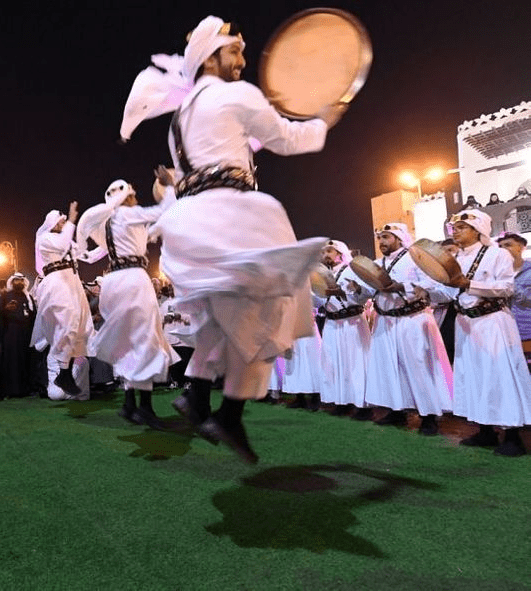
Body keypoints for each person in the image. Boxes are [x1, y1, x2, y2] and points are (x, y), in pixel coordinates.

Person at [122, 15, 345, 462]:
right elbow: (283, 138)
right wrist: (322, 119)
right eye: (236, 51)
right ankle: (227, 413)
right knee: (271, 304)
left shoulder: (179, 119)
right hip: (233, 212)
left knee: (217, 315)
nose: (243, 60)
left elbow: (225, 147)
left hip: (189, 221)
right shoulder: (235, 94)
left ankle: (200, 396)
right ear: (211, 56)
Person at [76, 174, 180, 428]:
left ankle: (129, 404)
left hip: (113, 282)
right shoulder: (127, 214)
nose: (136, 198)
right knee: (145, 341)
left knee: (128, 344)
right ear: (126, 196)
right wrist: (168, 186)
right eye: (133, 194)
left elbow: (92, 255)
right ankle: (144, 408)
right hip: (133, 279)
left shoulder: (107, 222)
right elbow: (165, 209)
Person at [447, 212, 531, 455]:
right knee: (474, 377)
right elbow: (446, 293)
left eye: (462, 227)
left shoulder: (497, 254)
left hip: (493, 322)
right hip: (465, 324)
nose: (455, 231)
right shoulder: (454, 259)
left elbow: (507, 287)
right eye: (454, 227)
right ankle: (485, 431)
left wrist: (469, 284)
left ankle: (513, 436)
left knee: (500, 377)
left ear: (478, 230)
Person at [357, 223, 452, 435]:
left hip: (412, 319)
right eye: (380, 237)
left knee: (419, 367)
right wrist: (359, 290)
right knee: (390, 367)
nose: (381, 242)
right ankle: (396, 410)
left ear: (399, 238)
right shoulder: (376, 263)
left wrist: (403, 287)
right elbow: (368, 293)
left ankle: (429, 416)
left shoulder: (416, 258)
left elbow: (435, 287)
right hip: (385, 322)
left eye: (386, 237)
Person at [30, 203, 95, 396]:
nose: (65, 222)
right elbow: (62, 245)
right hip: (57, 283)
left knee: (80, 327)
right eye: (62, 220)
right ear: (52, 222)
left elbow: (88, 256)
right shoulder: (45, 238)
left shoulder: (67, 241)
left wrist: (109, 247)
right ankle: (63, 372)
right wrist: (72, 222)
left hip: (73, 284)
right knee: (67, 322)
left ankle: (66, 372)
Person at [316, 240, 372, 419]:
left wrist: (349, 292)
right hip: (332, 323)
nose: (325, 255)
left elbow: (364, 295)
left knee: (356, 364)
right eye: (324, 252)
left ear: (340, 253)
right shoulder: (323, 276)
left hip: (352, 321)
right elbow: (317, 301)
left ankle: (363, 406)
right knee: (335, 363)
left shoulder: (352, 270)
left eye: (329, 251)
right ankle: (341, 401)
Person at [0, 272, 37, 398]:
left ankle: (25, 390)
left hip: (25, 334)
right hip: (11, 334)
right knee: (11, 361)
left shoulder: (27, 297)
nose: (19, 283)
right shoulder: (5, 296)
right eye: (16, 281)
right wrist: (6, 309)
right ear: (12, 282)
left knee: (25, 361)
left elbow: (33, 314)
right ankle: (9, 391)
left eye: (21, 281)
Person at [497, 232, 531, 363]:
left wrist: (509, 283)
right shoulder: (496, 274)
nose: (503, 249)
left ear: (521, 247)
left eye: (508, 245)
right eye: (500, 247)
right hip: (505, 335)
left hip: (527, 332)